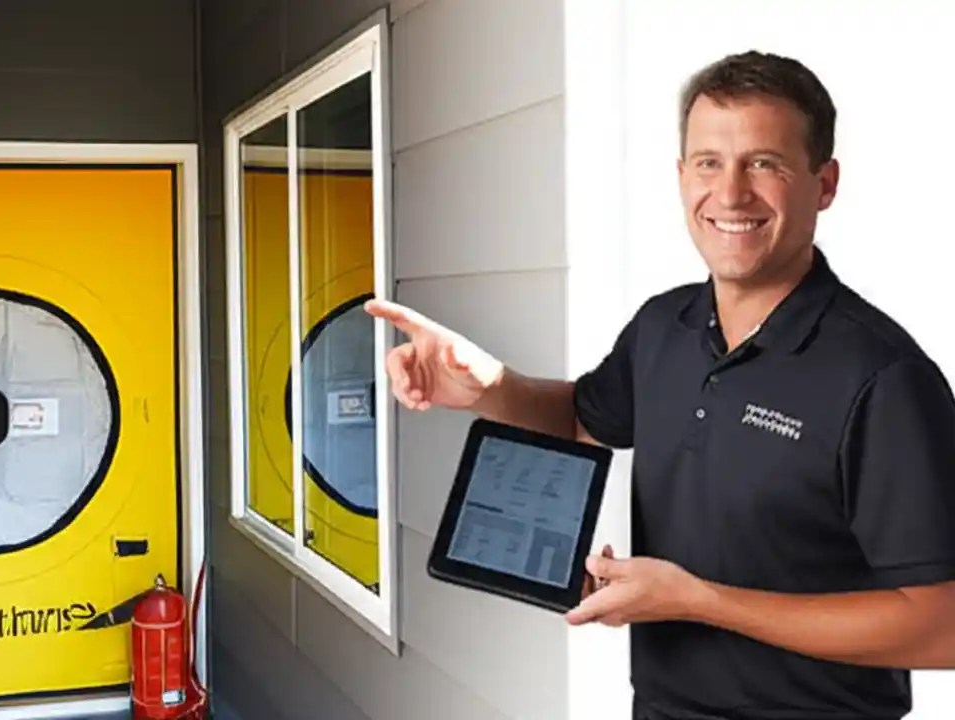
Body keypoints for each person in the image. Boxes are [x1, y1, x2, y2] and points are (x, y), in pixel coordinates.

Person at [366, 50, 955, 720]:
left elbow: (943, 627)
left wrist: (698, 601)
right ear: (681, 177)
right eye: (708, 162)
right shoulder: (662, 327)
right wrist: (488, 385)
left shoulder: (884, 379)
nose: (730, 193)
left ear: (825, 184)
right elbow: (582, 420)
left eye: (764, 163)